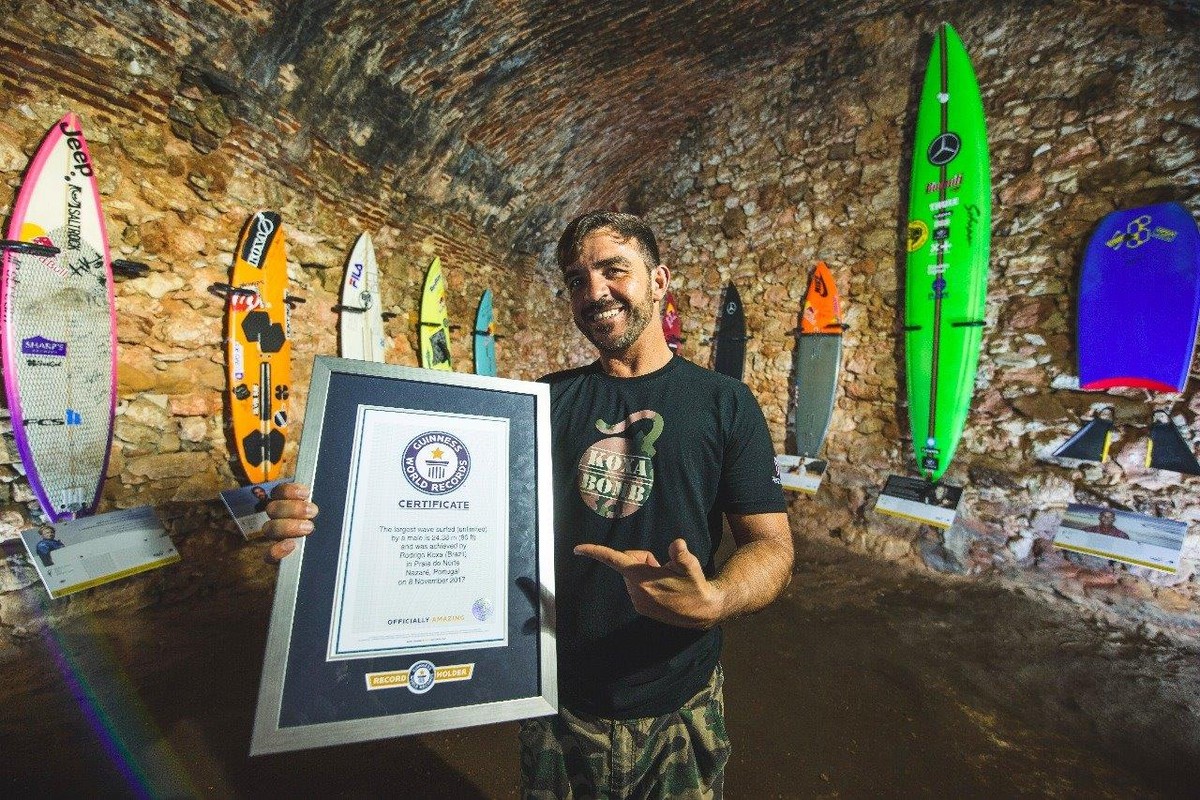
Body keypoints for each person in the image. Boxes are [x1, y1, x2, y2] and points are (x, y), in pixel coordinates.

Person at [262, 211, 793, 799]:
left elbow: (770, 545)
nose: (594, 291)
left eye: (614, 270)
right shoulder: (540, 402)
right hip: (558, 701)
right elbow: (438, 500)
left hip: (678, 701)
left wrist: (716, 598)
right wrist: (326, 519)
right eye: (576, 279)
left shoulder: (724, 403)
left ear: (659, 280)